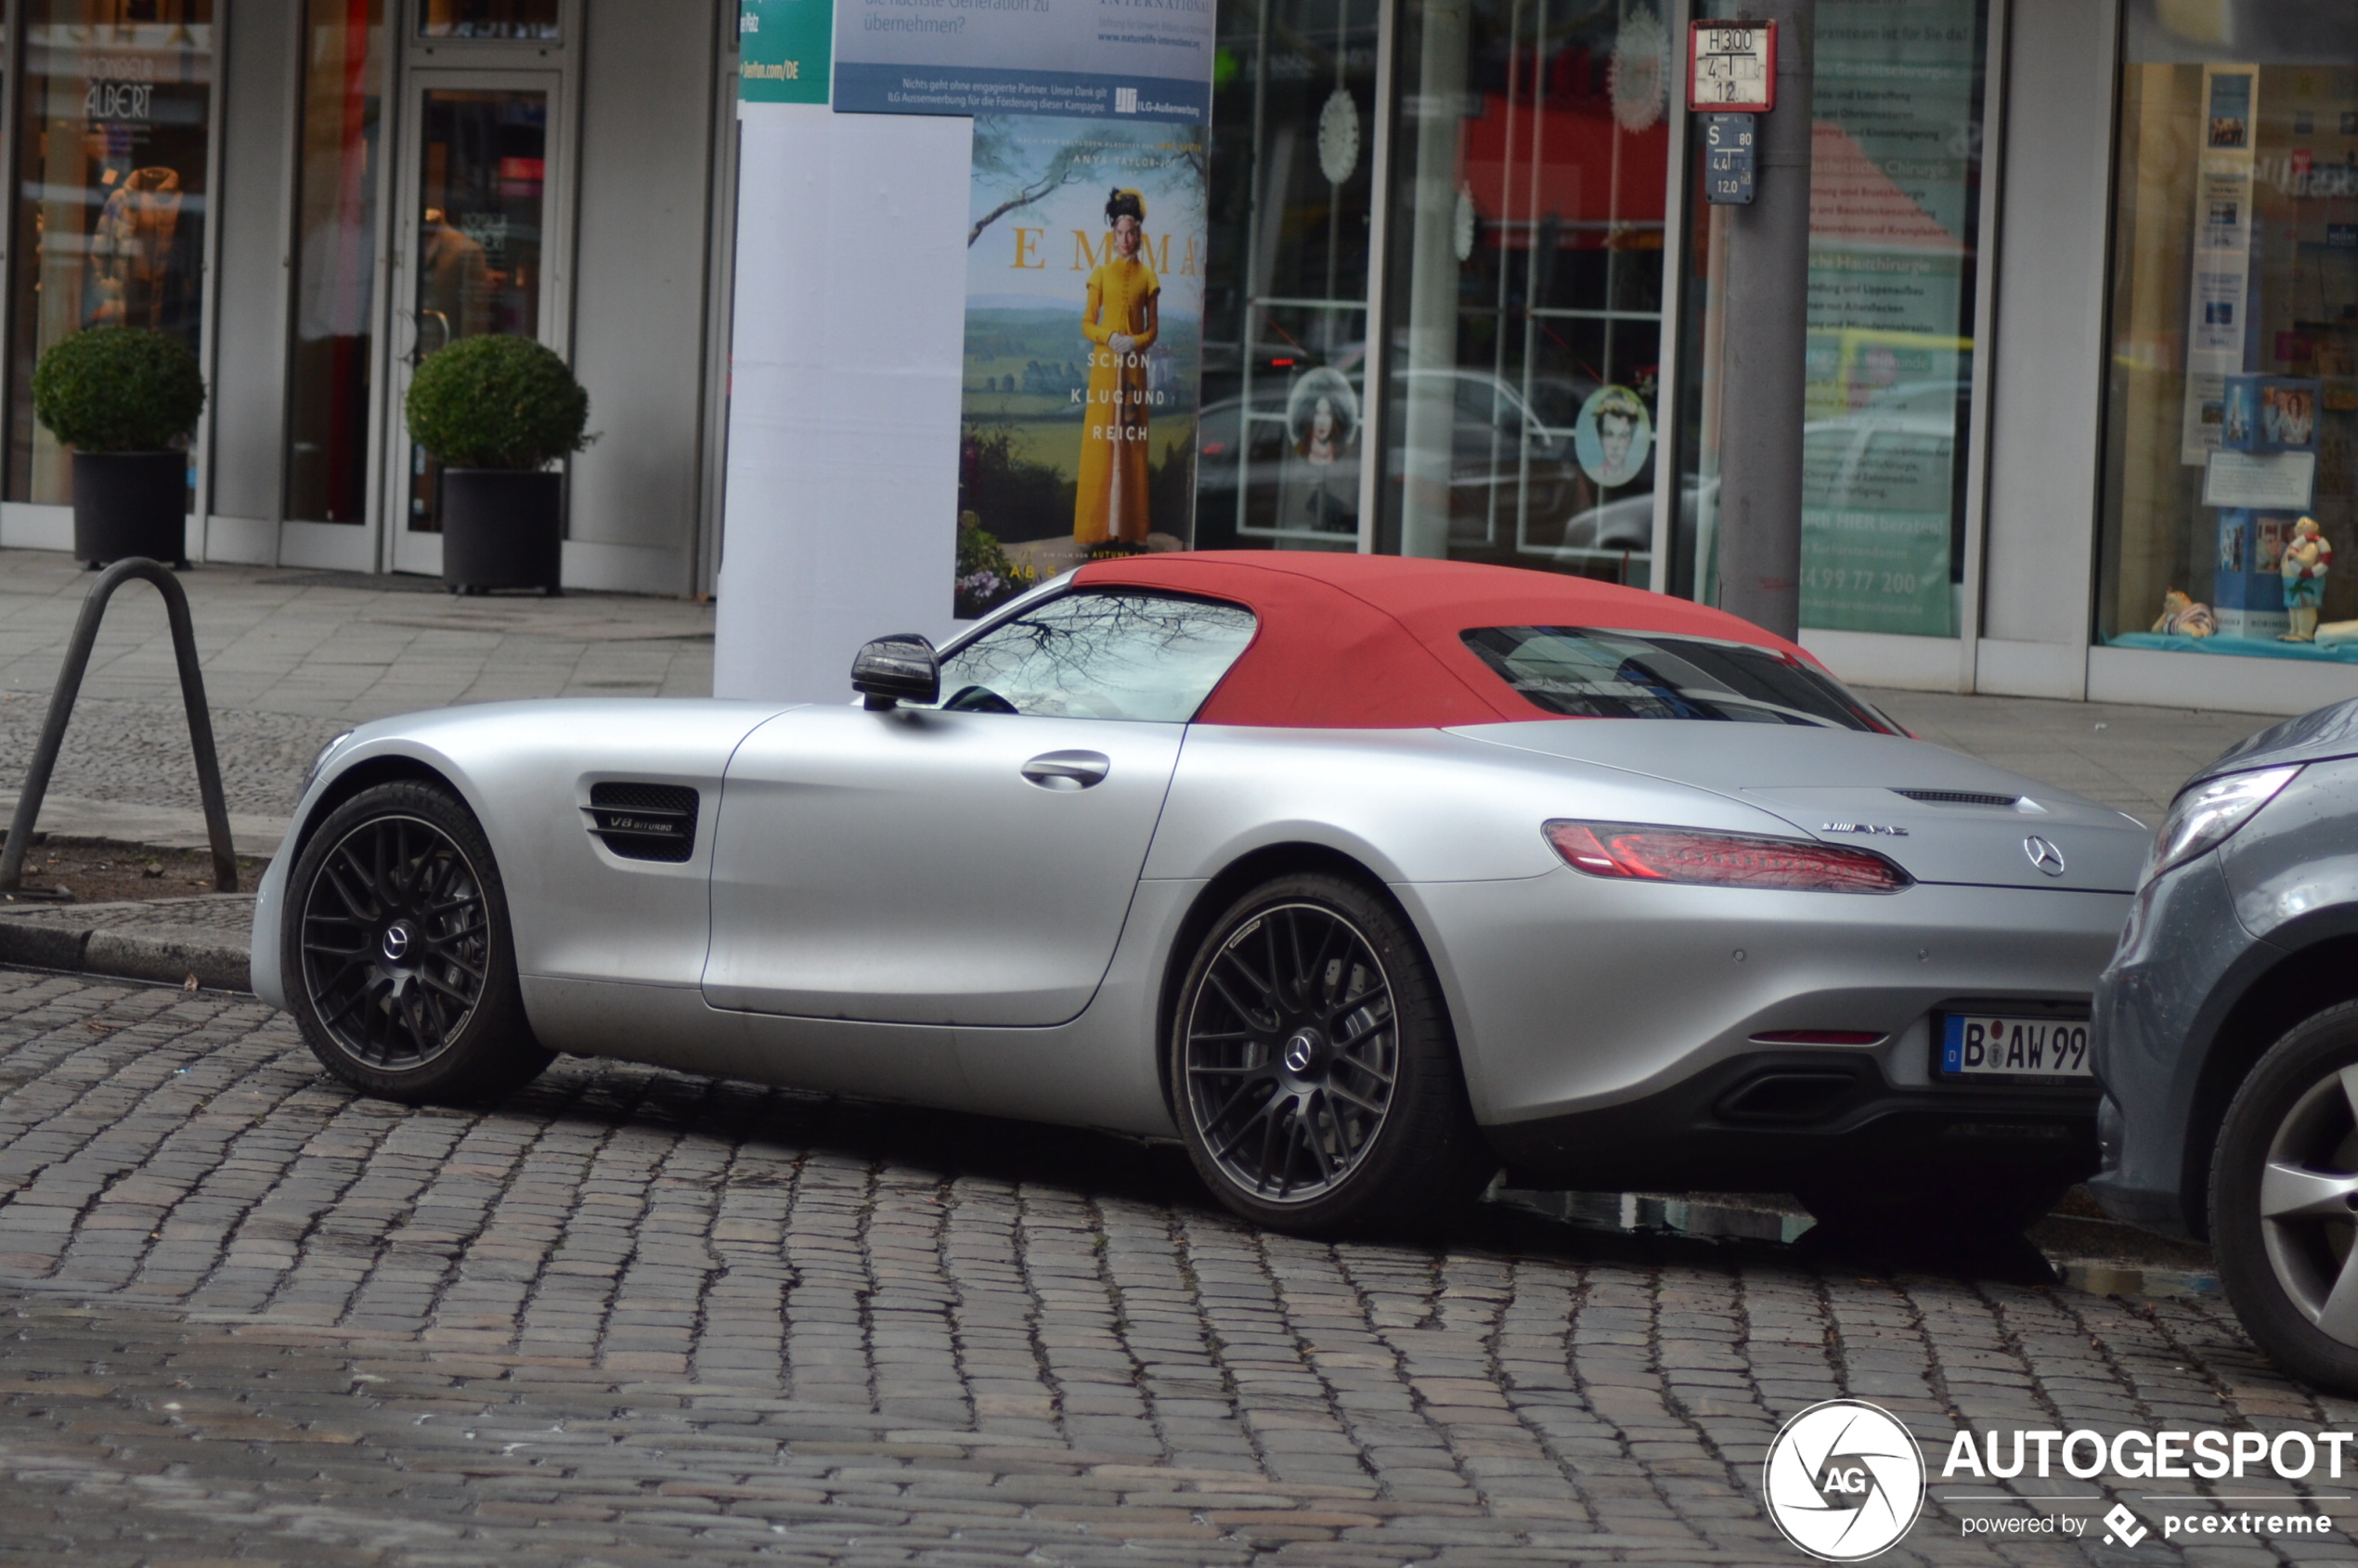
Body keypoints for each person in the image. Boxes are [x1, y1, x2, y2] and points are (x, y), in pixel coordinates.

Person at [1073, 188, 1160, 547]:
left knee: (1131, 436)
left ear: (1140, 235)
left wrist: (1135, 342)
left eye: (1132, 233)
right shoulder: (1101, 275)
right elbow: (1086, 323)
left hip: (1134, 369)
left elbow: (1153, 330)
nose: (1127, 240)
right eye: (1121, 233)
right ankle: (1097, 529)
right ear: (1113, 235)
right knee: (1102, 438)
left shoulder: (1148, 278)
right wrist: (1110, 337)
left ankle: (1129, 529)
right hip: (1107, 367)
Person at [2280, 513, 2333, 642]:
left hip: (2305, 581)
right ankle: (2294, 630)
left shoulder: (2311, 545)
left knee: (2304, 608)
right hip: (2291, 582)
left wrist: (2296, 556)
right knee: (2293, 607)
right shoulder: (2295, 544)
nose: (2299, 526)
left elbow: (2307, 562)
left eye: (2303, 524)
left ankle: (2305, 632)